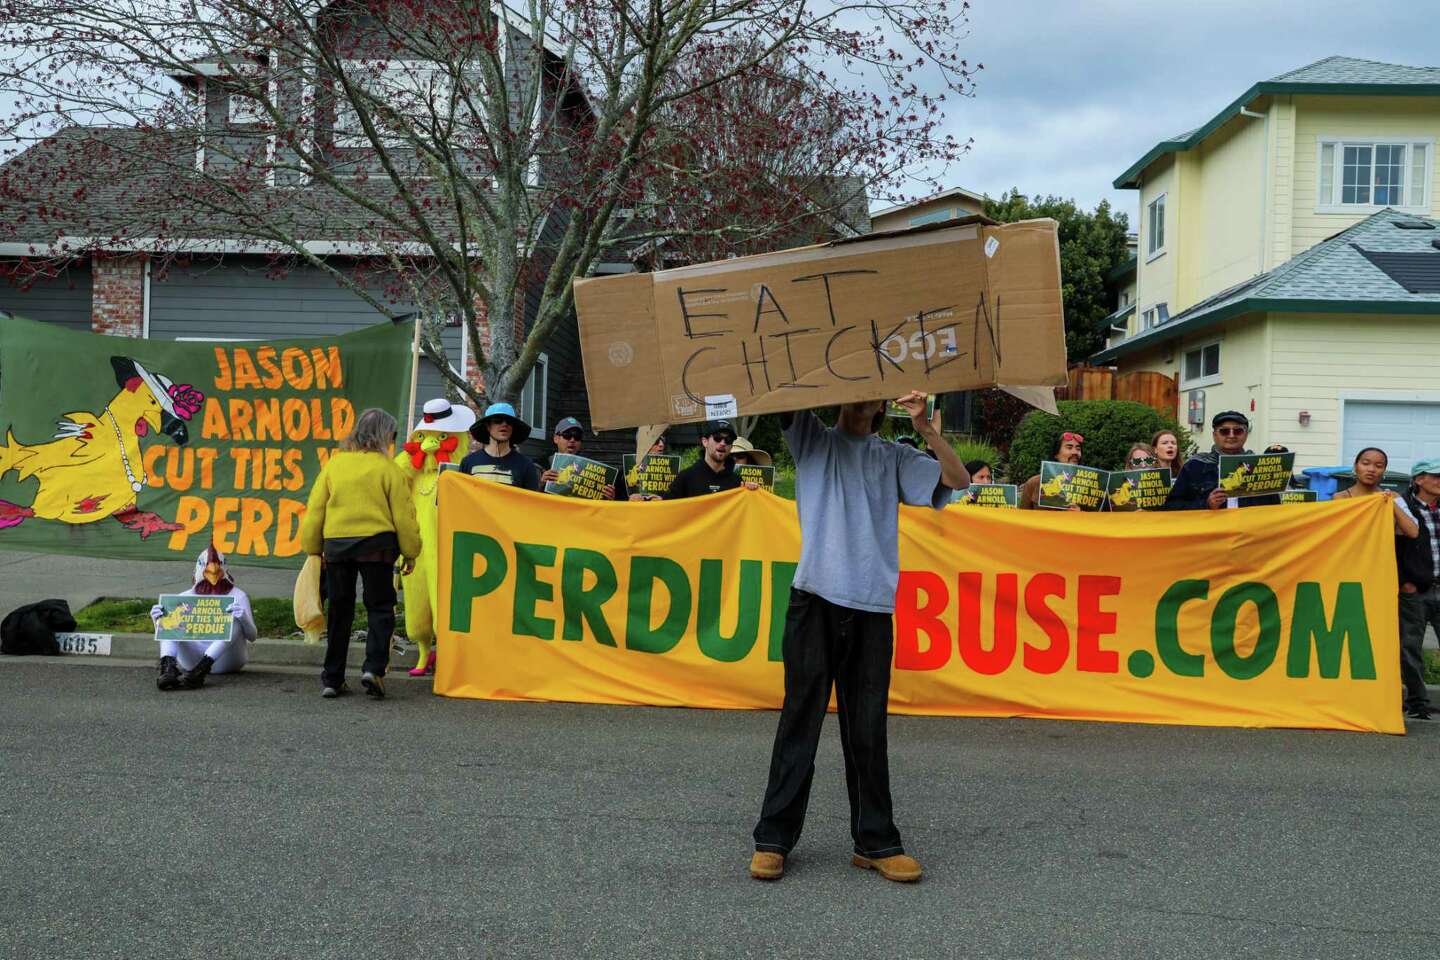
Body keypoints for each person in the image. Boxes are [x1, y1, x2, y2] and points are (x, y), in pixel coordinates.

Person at [750, 391, 970, 884]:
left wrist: (926, 429)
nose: (858, 397)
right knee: (799, 719)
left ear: (881, 407)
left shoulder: (894, 458)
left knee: (867, 728)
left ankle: (875, 842)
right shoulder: (812, 440)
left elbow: (957, 481)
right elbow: (785, 389)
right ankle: (773, 839)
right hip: (813, 600)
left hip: (871, 606)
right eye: (852, 390)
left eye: (870, 393)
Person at [301, 408, 421, 700]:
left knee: (339, 610)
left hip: (337, 546)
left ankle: (332, 678)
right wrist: (411, 551)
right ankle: (373, 669)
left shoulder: (335, 465)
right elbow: (404, 515)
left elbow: (316, 509)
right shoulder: (389, 469)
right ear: (386, 435)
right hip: (377, 545)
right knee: (380, 607)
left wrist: (313, 549)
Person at [151, 544, 257, 691]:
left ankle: (201, 671)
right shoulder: (184, 598)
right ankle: (167, 669)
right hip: (190, 662)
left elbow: (252, 636)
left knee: (234, 620)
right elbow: (167, 630)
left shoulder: (238, 596)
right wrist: (158, 620)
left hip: (226, 661)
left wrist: (243, 617)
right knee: (171, 618)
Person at [1389, 459, 1438, 719]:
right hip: (1414, 589)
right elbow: (1393, 549)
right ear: (1419, 479)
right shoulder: (1401, 506)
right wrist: (1404, 582)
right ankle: (1418, 702)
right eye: (1436, 476)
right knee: (1410, 647)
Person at [1162, 411, 1280, 510]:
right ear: (1214, 435)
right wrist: (1206, 504)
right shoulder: (1195, 465)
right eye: (1224, 431)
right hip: (1212, 529)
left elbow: (1275, 509)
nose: (1231, 435)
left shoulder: (1259, 466)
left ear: (1246, 435)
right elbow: (1172, 506)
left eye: (1238, 431)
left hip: (1249, 529)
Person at [459, 402, 542, 490]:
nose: (504, 424)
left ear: (513, 428)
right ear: (488, 426)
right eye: (498, 420)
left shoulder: (526, 465)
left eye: (509, 421)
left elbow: (531, 497)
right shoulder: (468, 462)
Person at [664, 420, 756, 499]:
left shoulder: (737, 482)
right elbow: (667, 507)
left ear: (731, 447)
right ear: (705, 442)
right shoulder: (686, 477)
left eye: (728, 440)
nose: (723, 443)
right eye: (717, 438)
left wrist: (751, 493)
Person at [539, 415, 616, 499]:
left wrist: (608, 498)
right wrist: (540, 484)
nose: (572, 440)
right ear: (556, 439)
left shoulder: (589, 469)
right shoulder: (541, 465)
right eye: (567, 435)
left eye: (577, 436)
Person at [1018, 431, 1084, 509]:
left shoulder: (1088, 485)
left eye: (1078, 449)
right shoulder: (1034, 483)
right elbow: (1022, 515)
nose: (1075, 452)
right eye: (1069, 447)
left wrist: (1081, 513)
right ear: (1056, 454)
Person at [619, 433, 668, 502]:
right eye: (656, 442)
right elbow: (617, 499)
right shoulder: (625, 470)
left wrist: (664, 499)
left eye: (663, 441)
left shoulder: (669, 470)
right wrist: (628, 499)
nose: (661, 444)